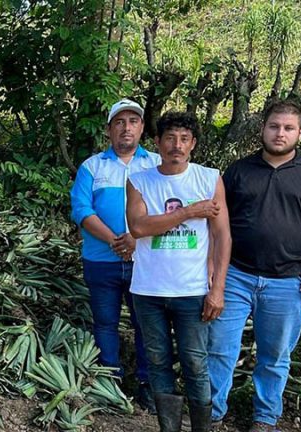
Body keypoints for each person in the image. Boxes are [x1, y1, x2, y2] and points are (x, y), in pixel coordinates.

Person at [208, 99, 301, 432]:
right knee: (220, 348)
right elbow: (218, 224)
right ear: (262, 128)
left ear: (300, 132)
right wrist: (213, 269)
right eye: (274, 126)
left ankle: (264, 418)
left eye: (288, 128)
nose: (280, 133)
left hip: (288, 281)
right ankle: (211, 412)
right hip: (236, 275)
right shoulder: (239, 170)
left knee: (275, 356)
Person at [126, 112, 230, 432]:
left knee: (195, 363)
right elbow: (139, 227)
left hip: (192, 289)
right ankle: (168, 428)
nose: (177, 145)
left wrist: (218, 289)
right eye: (170, 138)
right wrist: (190, 211)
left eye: (184, 139)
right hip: (149, 290)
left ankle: (201, 428)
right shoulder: (139, 179)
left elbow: (222, 235)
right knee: (158, 363)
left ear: (193, 144)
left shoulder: (208, 178)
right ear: (157, 143)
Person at [69, 99, 159, 412]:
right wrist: (114, 240)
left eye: (133, 121)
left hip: (145, 262)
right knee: (105, 323)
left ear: (142, 127)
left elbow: (167, 210)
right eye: (119, 122)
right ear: (109, 129)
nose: (126, 127)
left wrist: (136, 238)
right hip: (100, 260)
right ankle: (111, 382)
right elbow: (81, 209)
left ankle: (148, 385)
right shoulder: (92, 166)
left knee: (146, 325)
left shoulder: (156, 164)